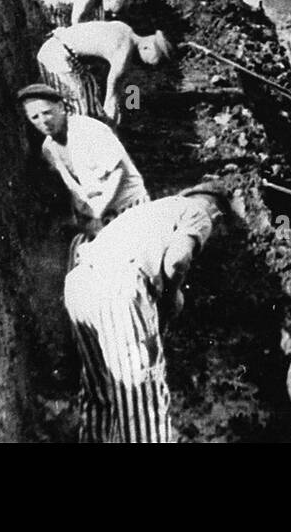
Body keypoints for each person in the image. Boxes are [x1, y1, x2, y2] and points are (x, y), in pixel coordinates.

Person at [62, 182, 245, 442]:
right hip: (118, 290)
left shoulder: (150, 211)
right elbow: (178, 259)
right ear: (218, 212)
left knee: (100, 393)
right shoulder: (199, 213)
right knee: (141, 397)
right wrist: (171, 297)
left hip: (79, 285)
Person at [18, 83, 150, 238]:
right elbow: (74, 189)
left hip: (129, 207)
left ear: (61, 107)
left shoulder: (88, 129)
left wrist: (98, 211)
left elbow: (118, 173)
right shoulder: (48, 148)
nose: (43, 121)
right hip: (99, 220)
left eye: (47, 112)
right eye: (35, 117)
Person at [37, 21, 173, 124]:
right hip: (57, 56)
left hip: (62, 51)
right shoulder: (124, 52)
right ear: (146, 46)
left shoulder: (124, 28)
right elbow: (111, 97)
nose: (145, 66)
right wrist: (112, 120)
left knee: (91, 94)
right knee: (80, 111)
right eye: (150, 62)